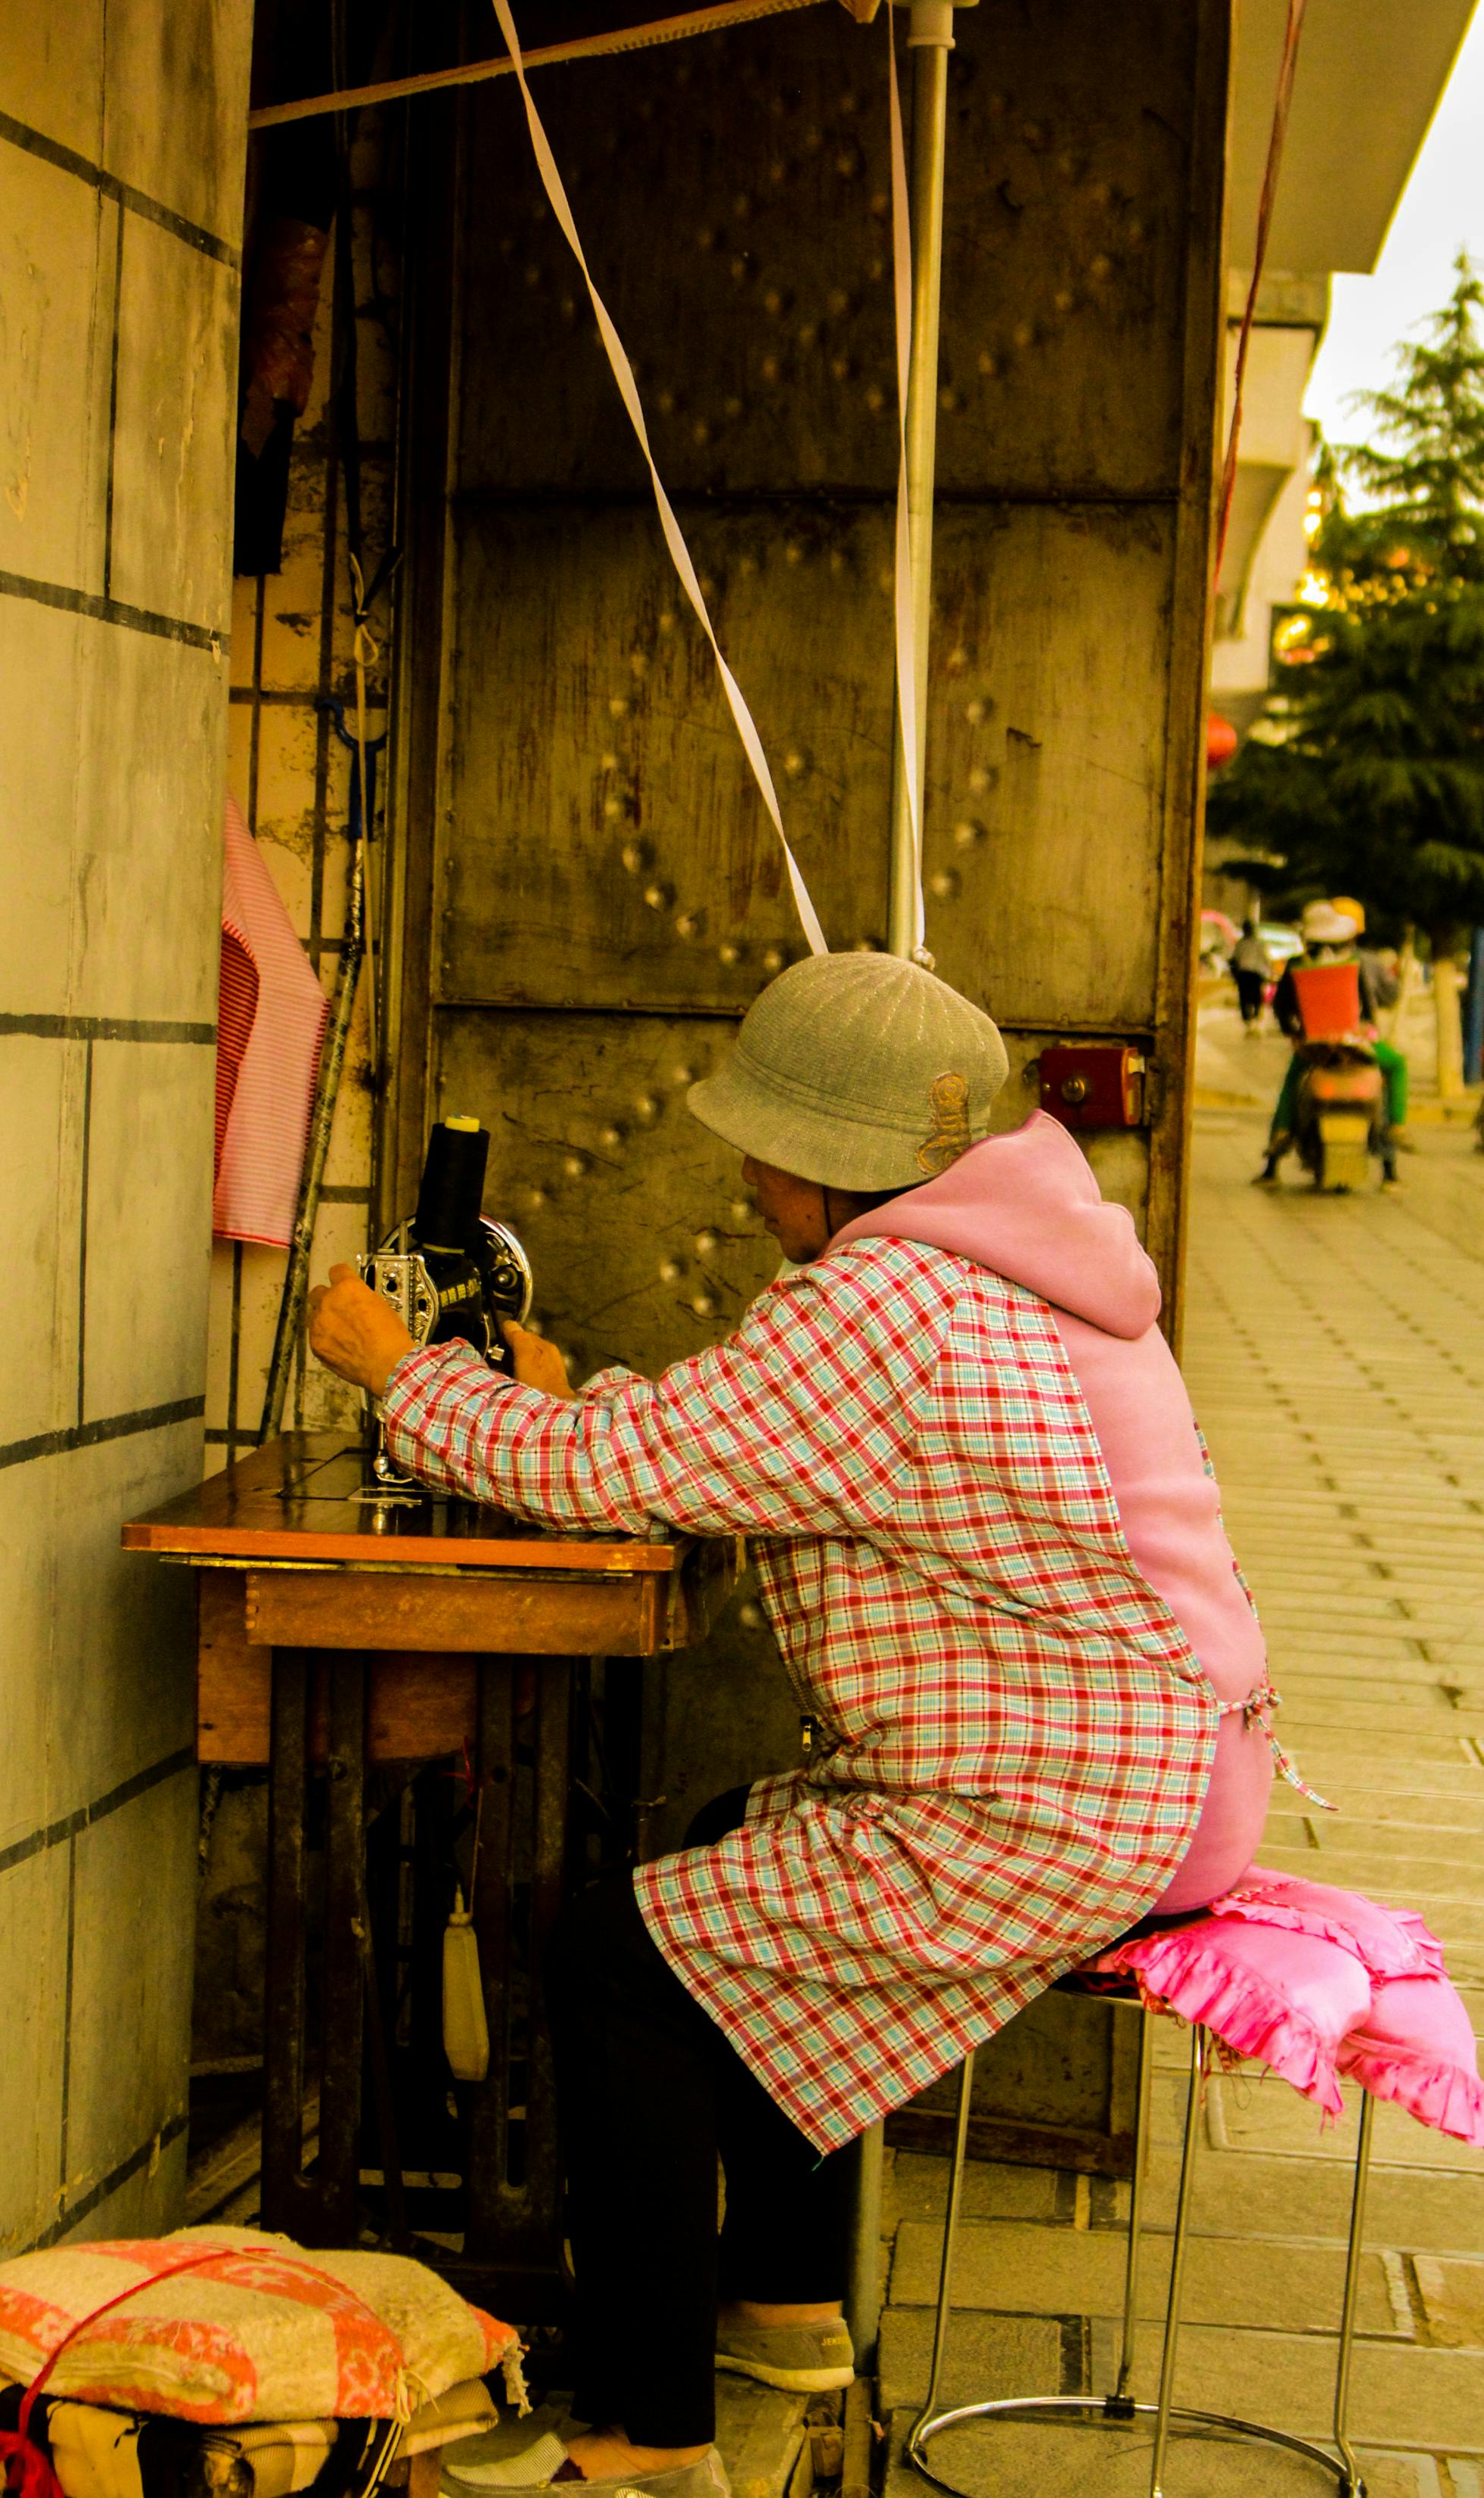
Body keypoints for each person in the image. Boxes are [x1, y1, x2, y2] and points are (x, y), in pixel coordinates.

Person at [309, 953, 1286, 2498]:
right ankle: (782, 2304)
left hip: (1067, 1802)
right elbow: (734, 1440)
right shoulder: (1018, 1269)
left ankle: (645, 2431)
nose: (750, 1173)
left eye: (765, 1144)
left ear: (831, 1158)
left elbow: (614, 1472)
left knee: (618, 1956)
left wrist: (402, 1375)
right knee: (733, 1860)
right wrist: (584, 1402)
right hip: (1160, 1771)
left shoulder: (886, 1299)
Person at [1258, 899, 1408, 1184]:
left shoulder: (1296, 965)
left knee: (1292, 1083)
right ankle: (1392, 1152)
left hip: (1314, 1047)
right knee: (1396, 1068)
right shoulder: (1360, 961)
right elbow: (1370, 1004)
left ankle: (1276, 1152)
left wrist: (1295, 1035)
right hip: (1356, 1043)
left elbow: (1282, 1008)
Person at [1229, 916, 1272, 1027]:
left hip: (1245, 974)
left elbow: (1234, 960)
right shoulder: (1259, 944)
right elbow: (1266, 960)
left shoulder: (1241, 944)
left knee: (1244, 997)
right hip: (1256, 974)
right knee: (1256, 997)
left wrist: (1234, 975)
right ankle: (1255, 1018)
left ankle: (1248, 1019)